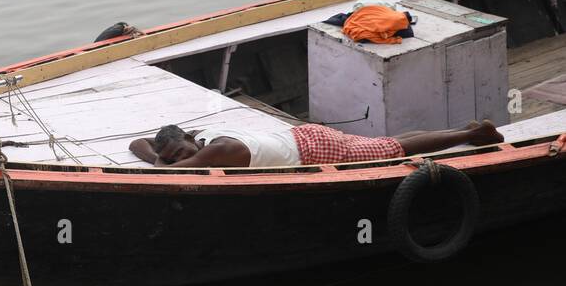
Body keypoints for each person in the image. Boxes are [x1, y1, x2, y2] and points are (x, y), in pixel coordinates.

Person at [130, 120, 505, 169]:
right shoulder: (203, 137)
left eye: (181, 150)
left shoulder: (218, 149)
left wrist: (161, 163)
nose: (180, 158)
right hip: (303, 137)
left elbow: (177, 170)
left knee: (393, 149)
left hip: (315, 149)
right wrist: (160, 153)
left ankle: (473, 135)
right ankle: (467, 130)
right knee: (386, 143)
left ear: (191, 142)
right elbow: (138, 142)